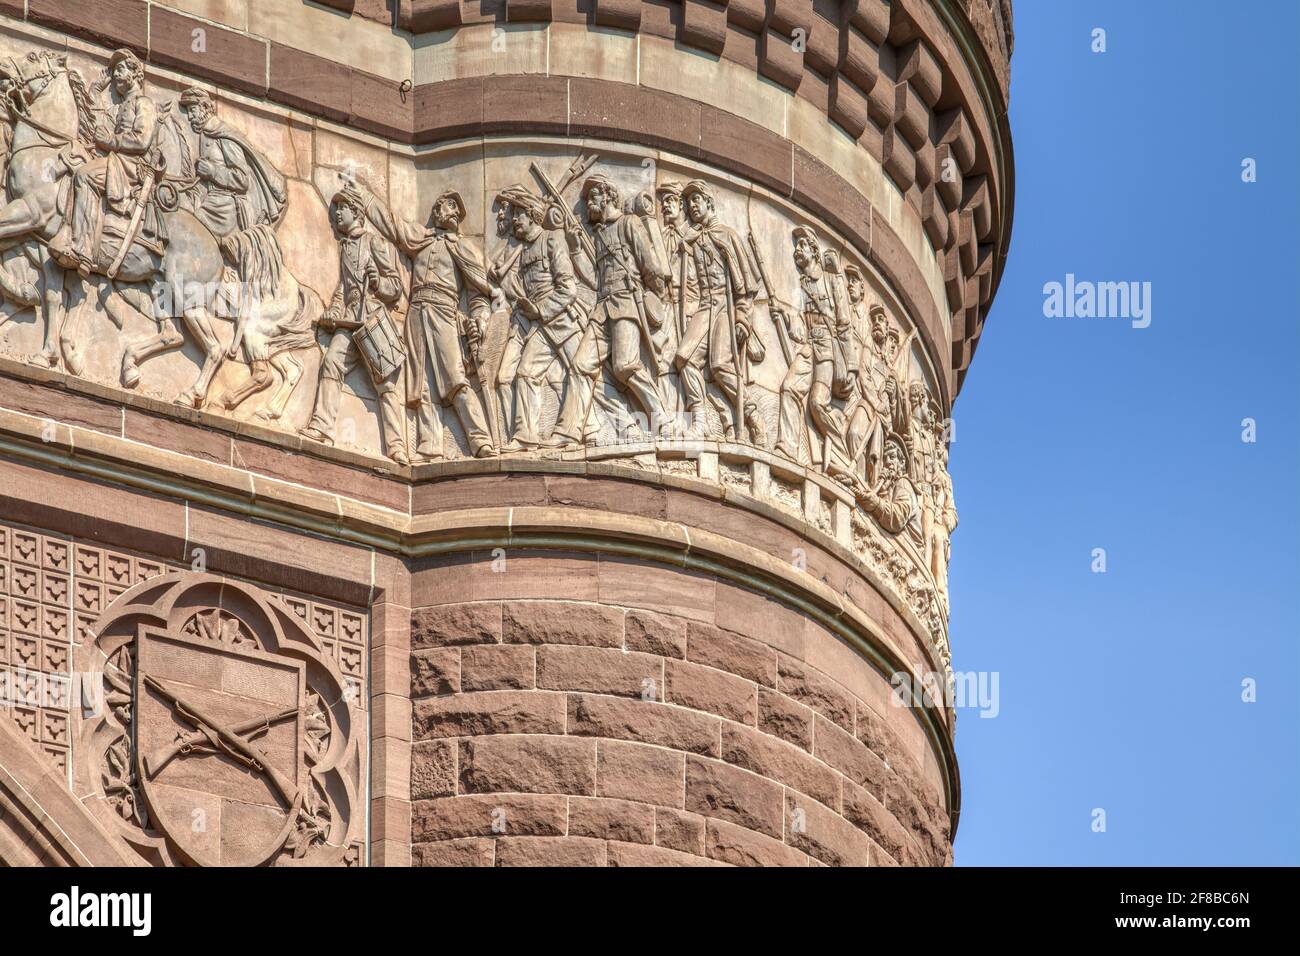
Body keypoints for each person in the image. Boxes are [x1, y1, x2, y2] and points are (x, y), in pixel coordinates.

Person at [360, 184, 496, 459]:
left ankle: (480, 440)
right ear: (437, 209)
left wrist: (480, 320)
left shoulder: (463, 248)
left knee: (455, 378)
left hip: (444, 313)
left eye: (457, 208)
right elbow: (393, 225)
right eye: (450, 205)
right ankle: (429, 446)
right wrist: (365, 198)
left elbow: (479, 293)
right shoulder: (420, 238)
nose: (455, 211)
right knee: (422, 384)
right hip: (417, 312)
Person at [299, 187, 409, 465]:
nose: (336, 214)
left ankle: (397, 446)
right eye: (335, 208)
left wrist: (377, 283)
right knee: (331, 363)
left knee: (384, 383)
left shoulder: (374, 242)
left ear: (356, 212)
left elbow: (395, 287)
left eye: (342, 208)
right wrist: (333, 311)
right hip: (348, 322)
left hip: (371, 321)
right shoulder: (345, 247)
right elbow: (343, 289)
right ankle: (321, 426)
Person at [50, 49, 158, 278]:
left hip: (128, 167)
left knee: (85, 175)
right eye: (115, 70)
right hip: (116, 160)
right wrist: (97, 89)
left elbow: (142, 140)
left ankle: (82, 250)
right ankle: (66, 231)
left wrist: (110, 140)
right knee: (74, 162)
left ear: (135, 73)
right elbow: (98, 118)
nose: (116, 74)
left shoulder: (143, 103)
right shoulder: (122, 106)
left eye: (121, 69)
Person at [677, 179, 766, 444]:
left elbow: (745, 288)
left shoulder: (727, 236)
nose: (692, 206)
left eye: (697, 200)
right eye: (689, 201)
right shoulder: (692, 239)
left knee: (719, 365)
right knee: (684, 358)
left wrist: (742, 320)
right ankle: (702, 422)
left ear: (709, 202)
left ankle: (753, 419)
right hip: (706, 305)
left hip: (725, 307)